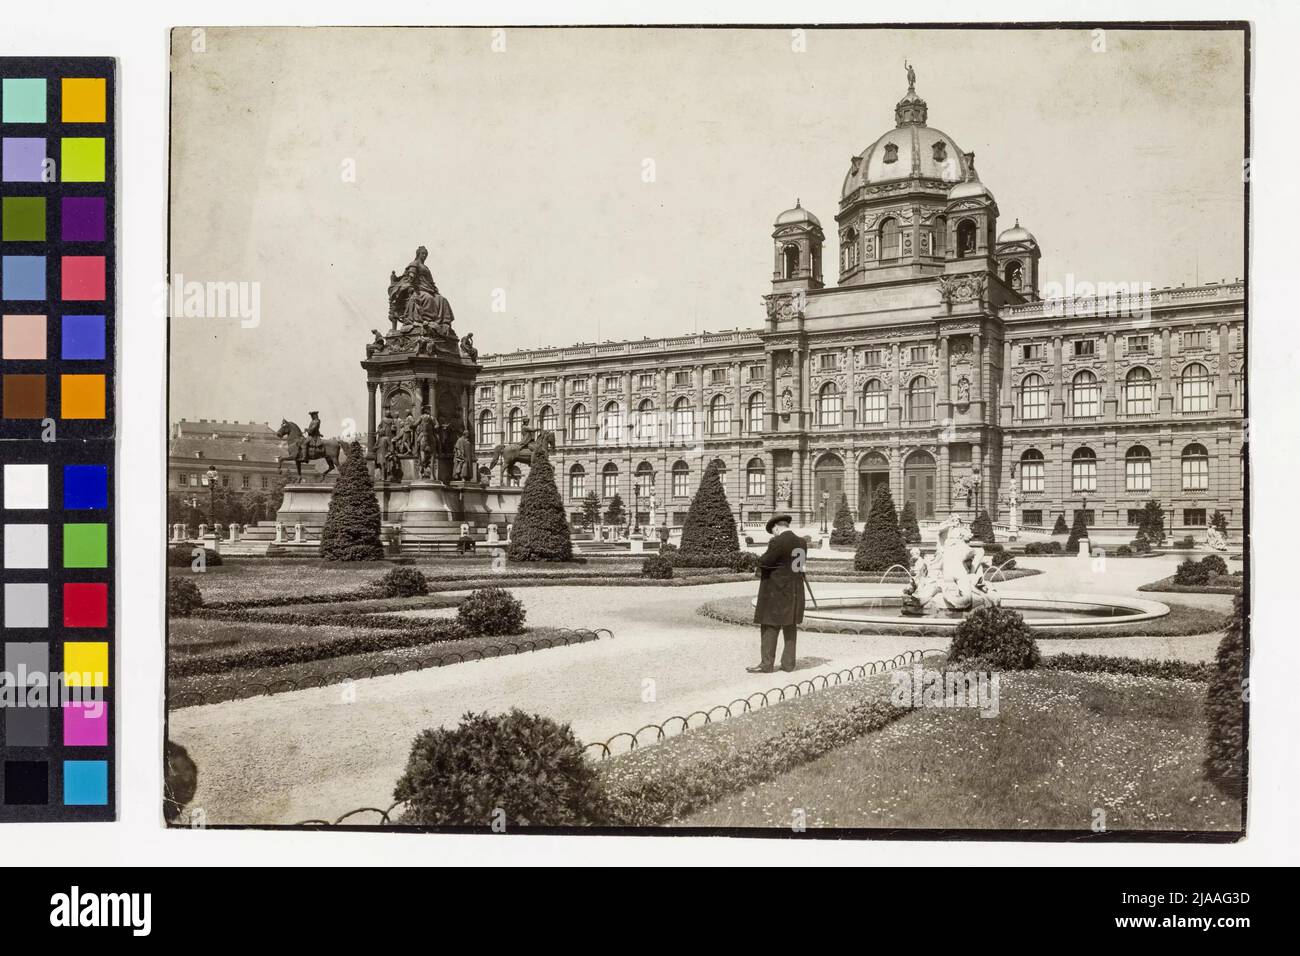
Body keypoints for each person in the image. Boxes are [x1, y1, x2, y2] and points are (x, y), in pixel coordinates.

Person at [749, 514, 806, 673]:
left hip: (776, 591)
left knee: (769, 626)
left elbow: (765, 561)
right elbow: (799, 567)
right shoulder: (802, 542)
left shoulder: (777, 541)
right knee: (790, 626)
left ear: (776, 527)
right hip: (795, 591)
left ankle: (766, 664)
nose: (773, 533)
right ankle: (788, 665)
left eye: (772, 530)